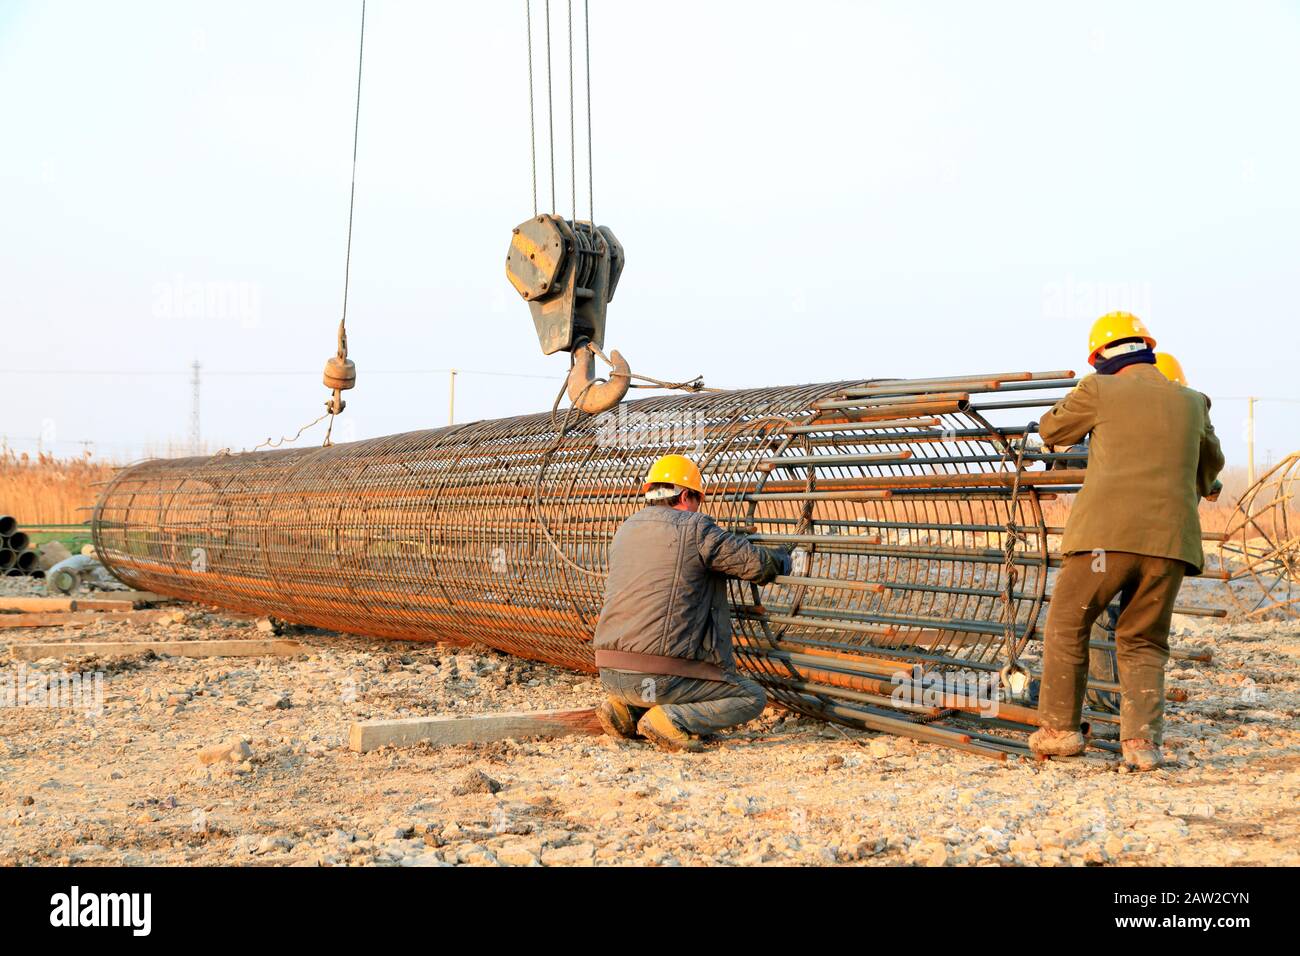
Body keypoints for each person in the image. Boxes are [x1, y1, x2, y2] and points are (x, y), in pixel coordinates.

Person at [1030, 314, 1224, 770]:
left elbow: (1051, 431)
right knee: (1144, 641)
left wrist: (1087, 392)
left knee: (1067, 624)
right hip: (1170, 546)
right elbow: (1211, 469)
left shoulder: (1099, 389)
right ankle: (1142, 746)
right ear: (1148, 350)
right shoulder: (1194, 402)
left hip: (1103, 543)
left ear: (1100, 358)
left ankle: (1059, 731)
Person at [592, 454, 791, 752]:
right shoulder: (696, 528)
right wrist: (785, 558)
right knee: (750, 696)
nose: (699, 508)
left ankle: (624, 710)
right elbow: (756, 566)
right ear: (685, 495)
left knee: (655, 680)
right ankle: (672, 720)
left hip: (610, 673)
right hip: (659, 676)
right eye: (698, 499)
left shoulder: (626, 529)